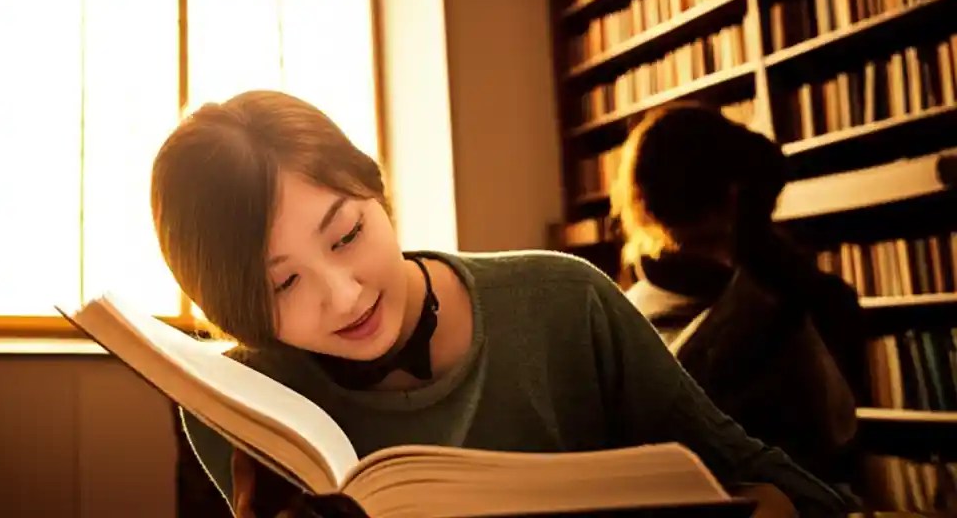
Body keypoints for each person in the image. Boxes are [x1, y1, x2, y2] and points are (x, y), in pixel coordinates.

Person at [149, 89, 850, 518]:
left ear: (377, 190)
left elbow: (792, 487)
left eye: (349, 233)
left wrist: (776, 505)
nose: (345, 294)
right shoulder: (238, 403)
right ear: (235, 306)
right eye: (282, 285)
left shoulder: (564, 302)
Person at [610, 101, 868, 495]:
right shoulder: (804, 301)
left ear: (641, 202)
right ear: (733, 197)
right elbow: (838, 443)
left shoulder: (623, 311)